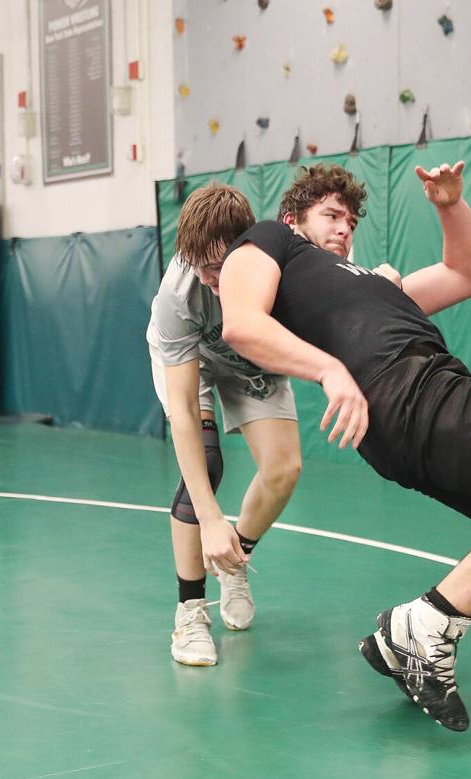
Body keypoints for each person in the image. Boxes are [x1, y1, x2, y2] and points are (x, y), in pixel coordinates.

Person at [199, 161, 471, 731]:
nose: (344, 228)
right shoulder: (270, 240)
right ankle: (423, 625)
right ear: (293, 220)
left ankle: (414, 637)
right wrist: (330, 370)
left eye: (351, 220)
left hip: (426, 389)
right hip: (405, 389)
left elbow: (467, 273)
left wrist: (448, 205)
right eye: (330, 215)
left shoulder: (364, 282)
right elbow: (241, 323)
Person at [147, 184, 302, 667]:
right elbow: (185, 414)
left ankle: (235, 563)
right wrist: (212, 518)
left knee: (284, 469)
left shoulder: (285, 269)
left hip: (249, 360)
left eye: (220, 265)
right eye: (200, 266)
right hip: (193, 359)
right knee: (205, 466)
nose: (210, 277)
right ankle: (190, 612)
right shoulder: (179, 294)